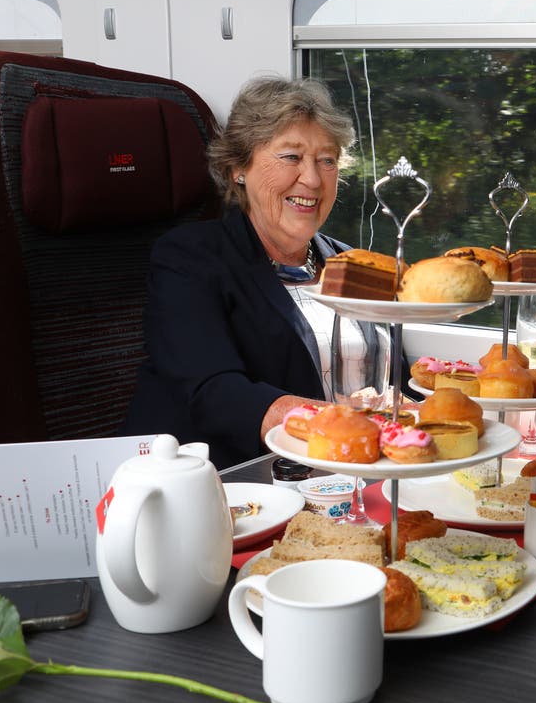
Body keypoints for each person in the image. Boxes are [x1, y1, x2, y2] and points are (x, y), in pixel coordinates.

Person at [122, 76, 388, 468]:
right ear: (237, 168)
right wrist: (350, 426)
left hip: (349, 468)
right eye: (291, 157)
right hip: (235, 481)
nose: (312, 179)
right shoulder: (190, 257)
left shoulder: (352, 263)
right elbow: (215, 392)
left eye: (327, 160)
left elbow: (386, 376)